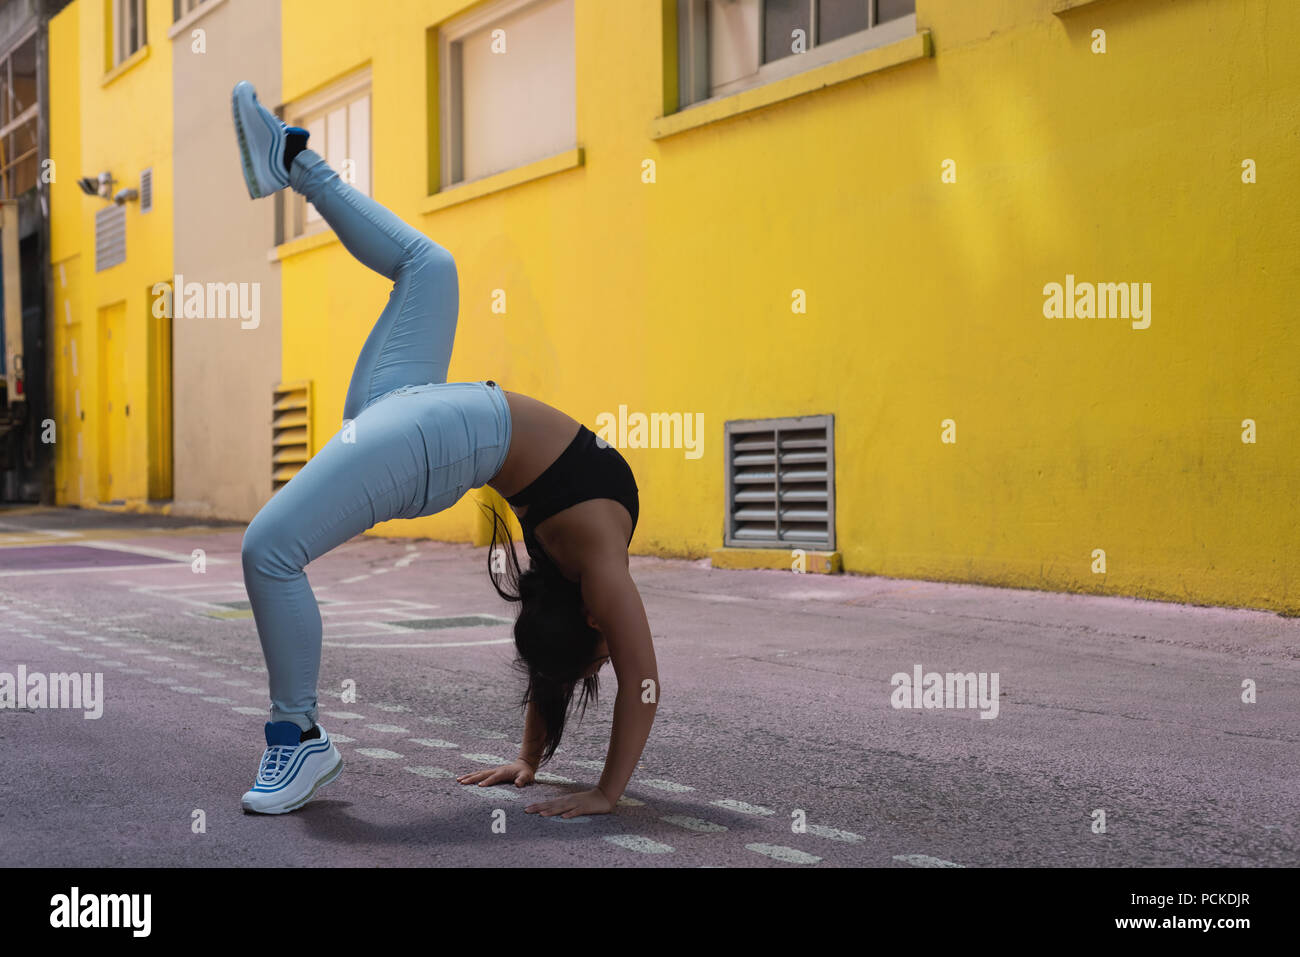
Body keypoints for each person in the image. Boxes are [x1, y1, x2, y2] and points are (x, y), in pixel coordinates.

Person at [231, 82, 658, 818]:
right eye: (600, 655)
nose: (610, 658)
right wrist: (573, 777)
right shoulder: (597, 577)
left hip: (434, 437)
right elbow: (646, 682)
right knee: (431, 267)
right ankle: (293, 161)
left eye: (598, 656)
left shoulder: (586, 574)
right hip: (427, 414)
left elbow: (567, 662)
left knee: (268, 549)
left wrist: (582, 778)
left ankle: (296, 734)